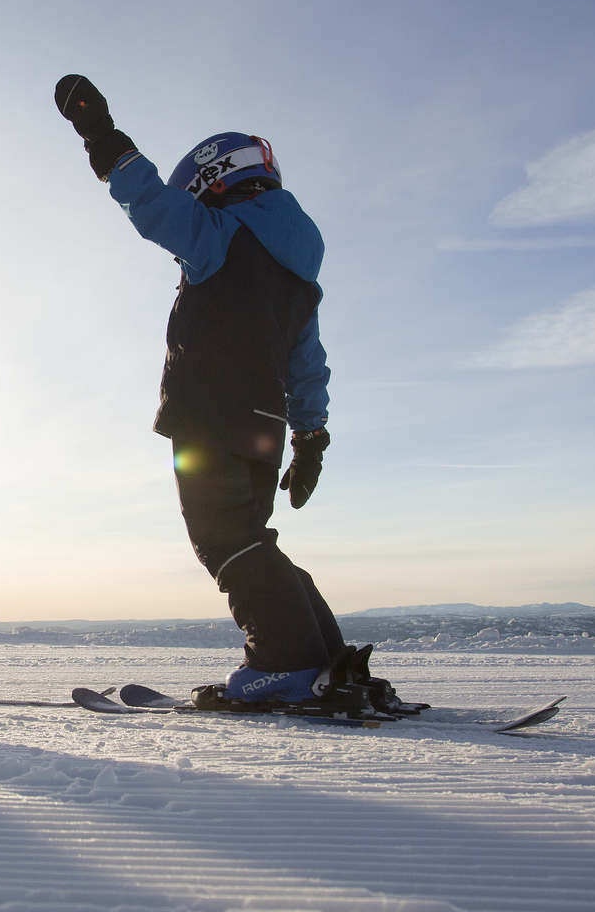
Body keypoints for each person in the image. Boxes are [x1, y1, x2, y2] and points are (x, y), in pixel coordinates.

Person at [52, 74, 409, 717]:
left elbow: (150, 204)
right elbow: (309, 365)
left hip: (211, 414)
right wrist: (311, 438)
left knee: (225, 539)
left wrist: (101, 136)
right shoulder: (298, 274)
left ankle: (284, 662)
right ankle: (325, 656)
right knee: (251, 537)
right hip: (265, 428)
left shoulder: (222, 234)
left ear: (213, 179)